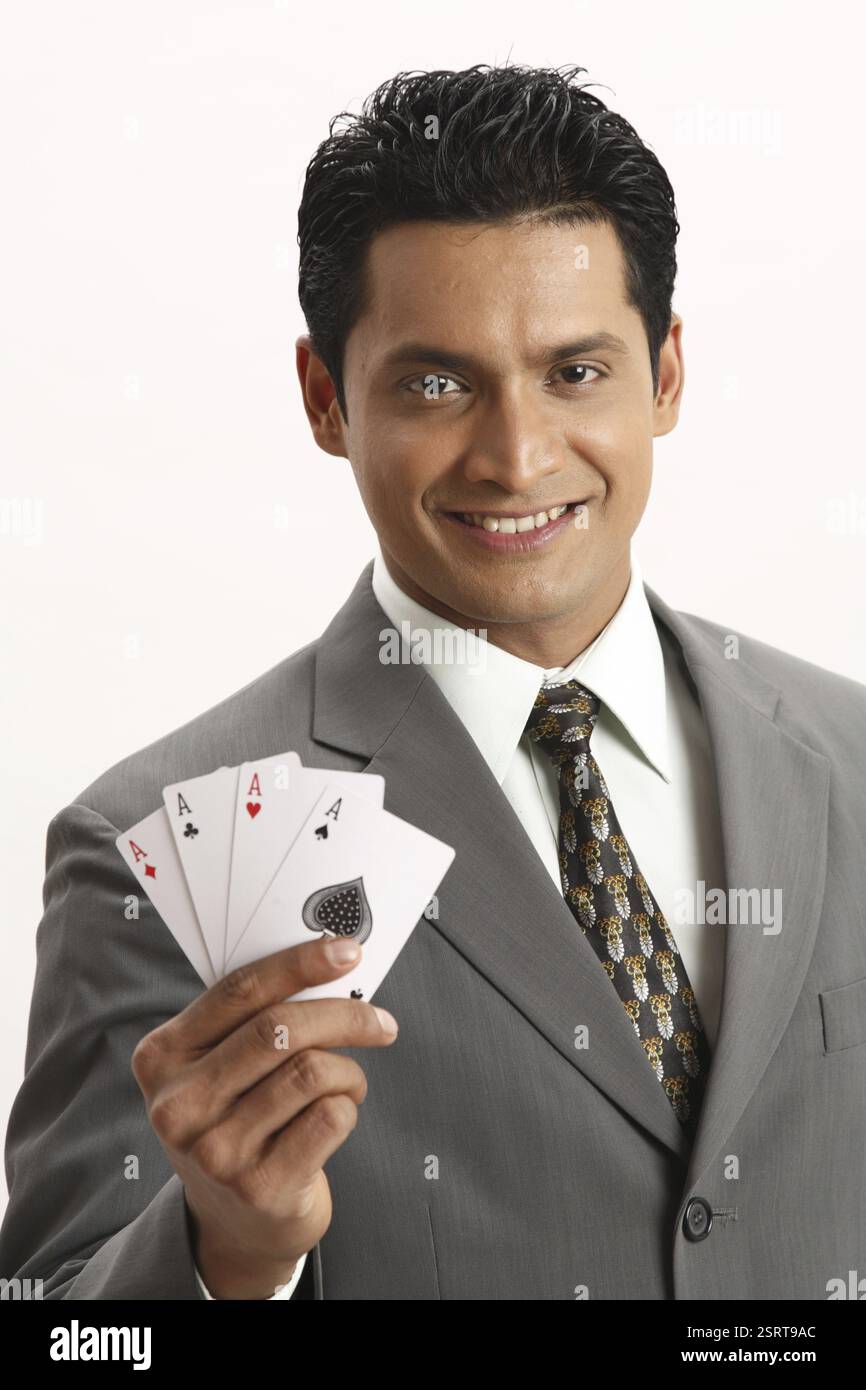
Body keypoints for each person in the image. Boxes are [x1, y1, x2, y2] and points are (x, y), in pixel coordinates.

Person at [2, 62, 865, 1301]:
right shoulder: (149, 845)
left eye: (575, 372)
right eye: (435, 383)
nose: (516, 459)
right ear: (324, 398)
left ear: (664, 373)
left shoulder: (846, 758)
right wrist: (230, 1253)